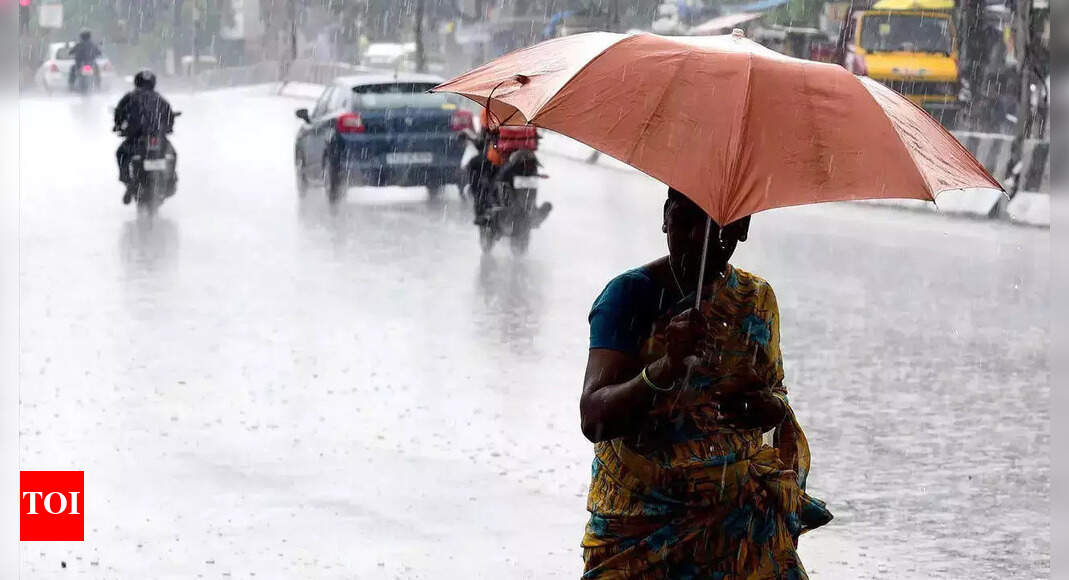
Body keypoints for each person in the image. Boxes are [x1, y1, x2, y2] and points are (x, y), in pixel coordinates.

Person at [579, 187, 831, 578]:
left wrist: (761, 406)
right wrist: (667, 366)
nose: (700, 237)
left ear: (743, 228)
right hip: (639, 534)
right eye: (686, 219)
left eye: (719, 226)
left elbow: (776, 397)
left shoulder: (755, 300)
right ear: (665, 216)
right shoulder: (629, 297)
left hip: (738, 526)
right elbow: (594, 417)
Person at [114, 70, 176, 204]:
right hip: (158, 139)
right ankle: (170, 179)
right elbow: (170, 118)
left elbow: (119, 115)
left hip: (136, 139)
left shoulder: (129, 98)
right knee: (173, 154)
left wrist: (119, 126)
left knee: (121, 153)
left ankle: (127, 181)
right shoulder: (160, 99)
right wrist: (167, 128)